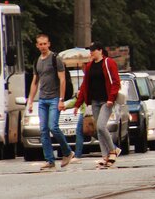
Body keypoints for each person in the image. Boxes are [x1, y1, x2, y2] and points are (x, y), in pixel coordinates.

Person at [67, 42, 121, 168]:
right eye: (90, 51)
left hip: (106, 101)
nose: (91, 53)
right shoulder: (90, 66)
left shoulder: (109, 63)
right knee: (98, 129)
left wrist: (111, 98)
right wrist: (77, 104)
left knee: (101, 126)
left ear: (100, 51)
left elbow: (116, 82)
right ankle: (105, 156)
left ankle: (113, 151)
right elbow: (85, 86)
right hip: (95, 101)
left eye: (93, 50)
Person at [26, 34, 74, 171]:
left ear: (49, 44)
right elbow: (35, 82)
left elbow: (62, 79)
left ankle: (67, 152)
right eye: (40, 44)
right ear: (37, 45)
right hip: (42, 99)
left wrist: (61, 99)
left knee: (53, 126)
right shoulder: (37, 61)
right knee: (43, 130)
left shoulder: (55, 58)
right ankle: (49, 160)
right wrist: (30, 101)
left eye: (44, 44)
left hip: (54, 98)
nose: (42, 46)